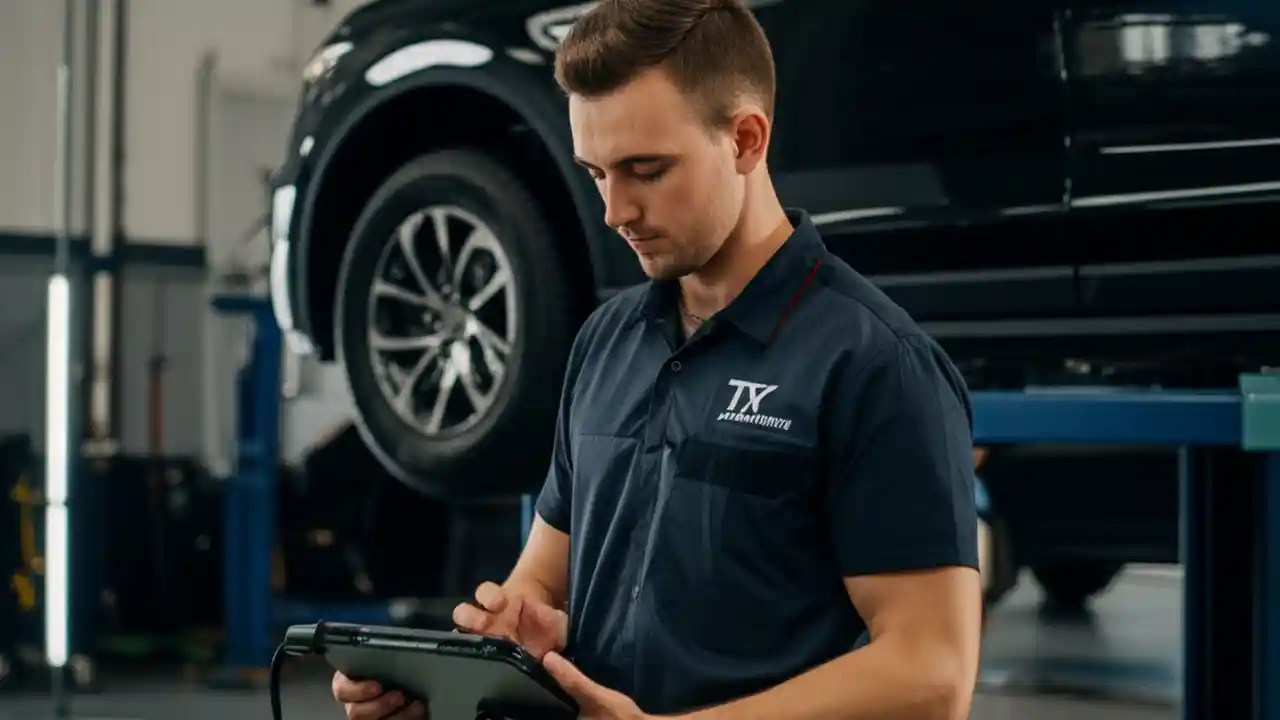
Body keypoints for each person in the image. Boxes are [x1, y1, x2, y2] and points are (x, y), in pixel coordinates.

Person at [333, 0, 982, 717]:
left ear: (746, 139)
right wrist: (480, 663)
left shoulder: (875, 366)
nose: (616, 211)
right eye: (597, 173)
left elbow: (931, 672)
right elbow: (539, 588)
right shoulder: (605, 343)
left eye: (646, 170)